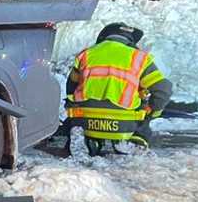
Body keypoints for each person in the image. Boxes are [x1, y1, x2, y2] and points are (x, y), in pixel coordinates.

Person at [64, 22, 173, 154]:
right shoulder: (139, 58)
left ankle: (87, 139)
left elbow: (71, 87)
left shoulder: (86, 54)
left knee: (76, 109)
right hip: (123, 122)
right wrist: (153, 112)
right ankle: (136, 139)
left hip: (85, 120)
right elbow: (163, 89)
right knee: (143, 109)